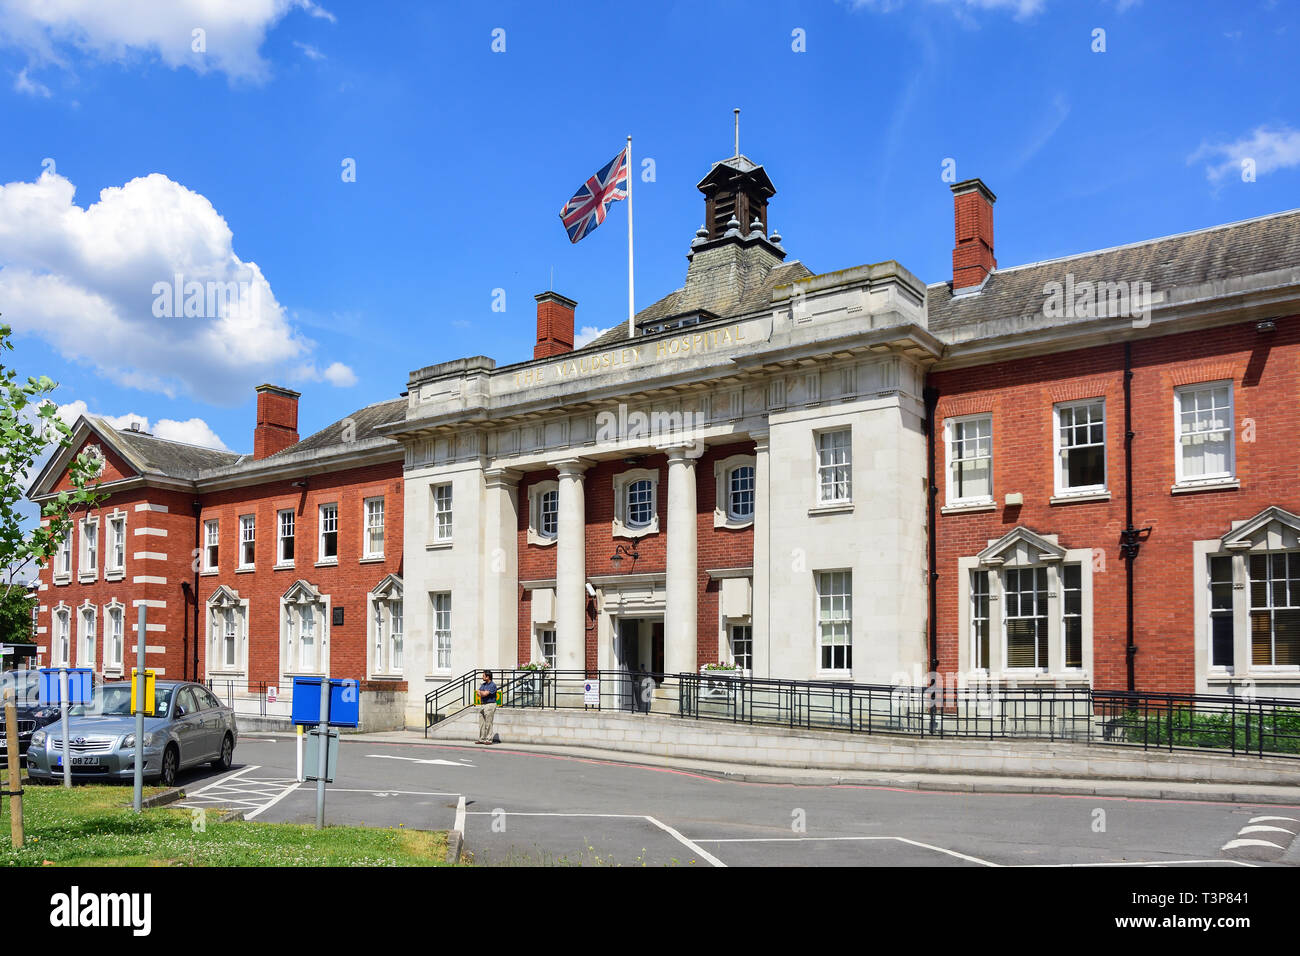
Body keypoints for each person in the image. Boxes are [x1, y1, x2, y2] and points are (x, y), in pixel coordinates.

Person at [476, 670, 498, 745]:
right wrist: (481, 692)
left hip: (490, 704)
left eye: (483, 676)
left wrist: (481, 693)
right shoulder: (484, 684)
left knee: (488, 723)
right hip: (483, 704)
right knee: (481, 723)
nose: (482, 677)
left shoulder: (492, 685)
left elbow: (485, 694)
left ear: (487, 677)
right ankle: (482, 739)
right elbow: (478, 692)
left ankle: (489, 739)